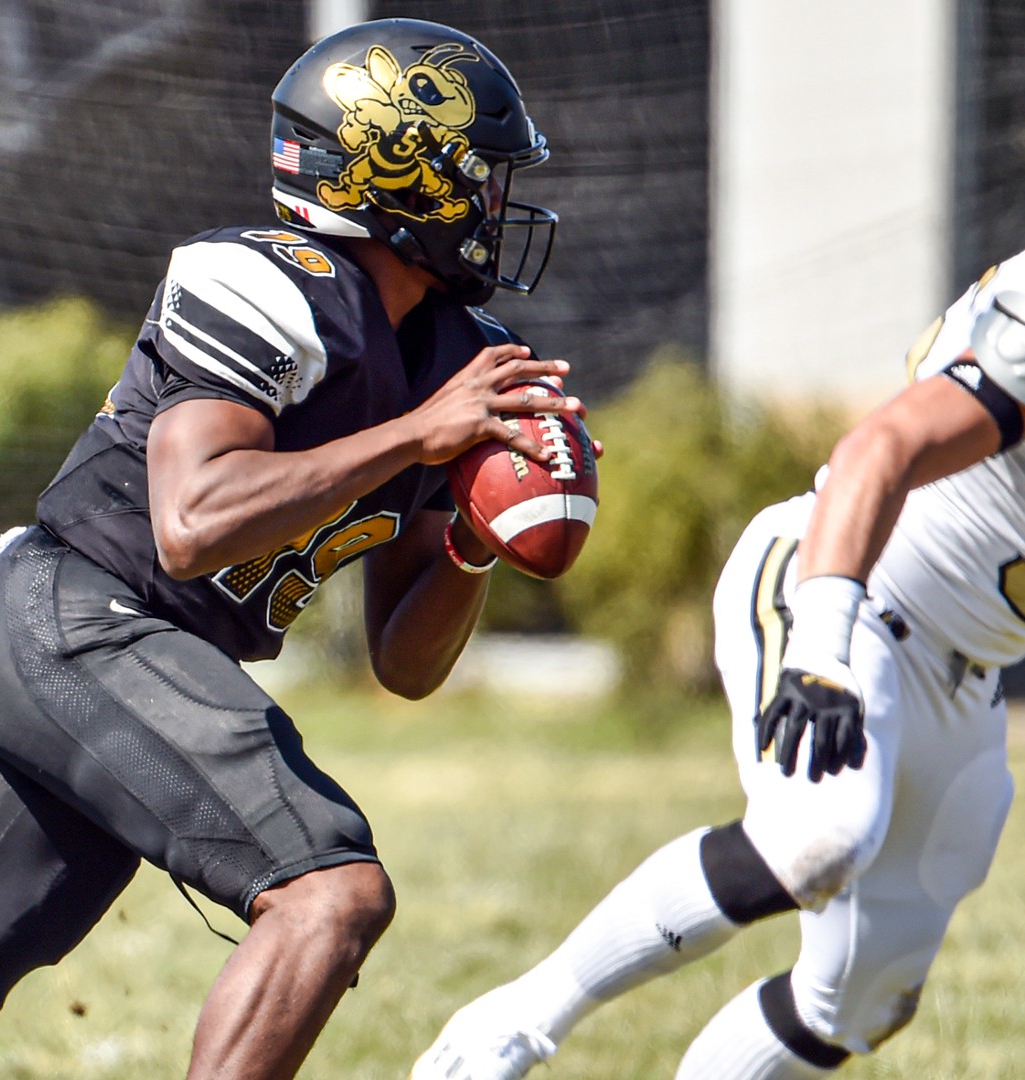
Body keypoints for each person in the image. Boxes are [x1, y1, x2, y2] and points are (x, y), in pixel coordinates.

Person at [0, 19, 574, 1080]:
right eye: (479, 177)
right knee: (331, 890)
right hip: (73, 619)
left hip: (127, 655)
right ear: (398, 173)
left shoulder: (455, 356)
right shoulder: (264, 283)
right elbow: (192, 523)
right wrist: (415, 437)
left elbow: (404, 664)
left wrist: (474, 540)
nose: (496, 207)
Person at [410, 263, 1025, 1078]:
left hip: (970, 672)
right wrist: (822, 647)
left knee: (860, 998)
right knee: (818, 834)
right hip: (848, 589)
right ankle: (518, 1022)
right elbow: (880, 447)